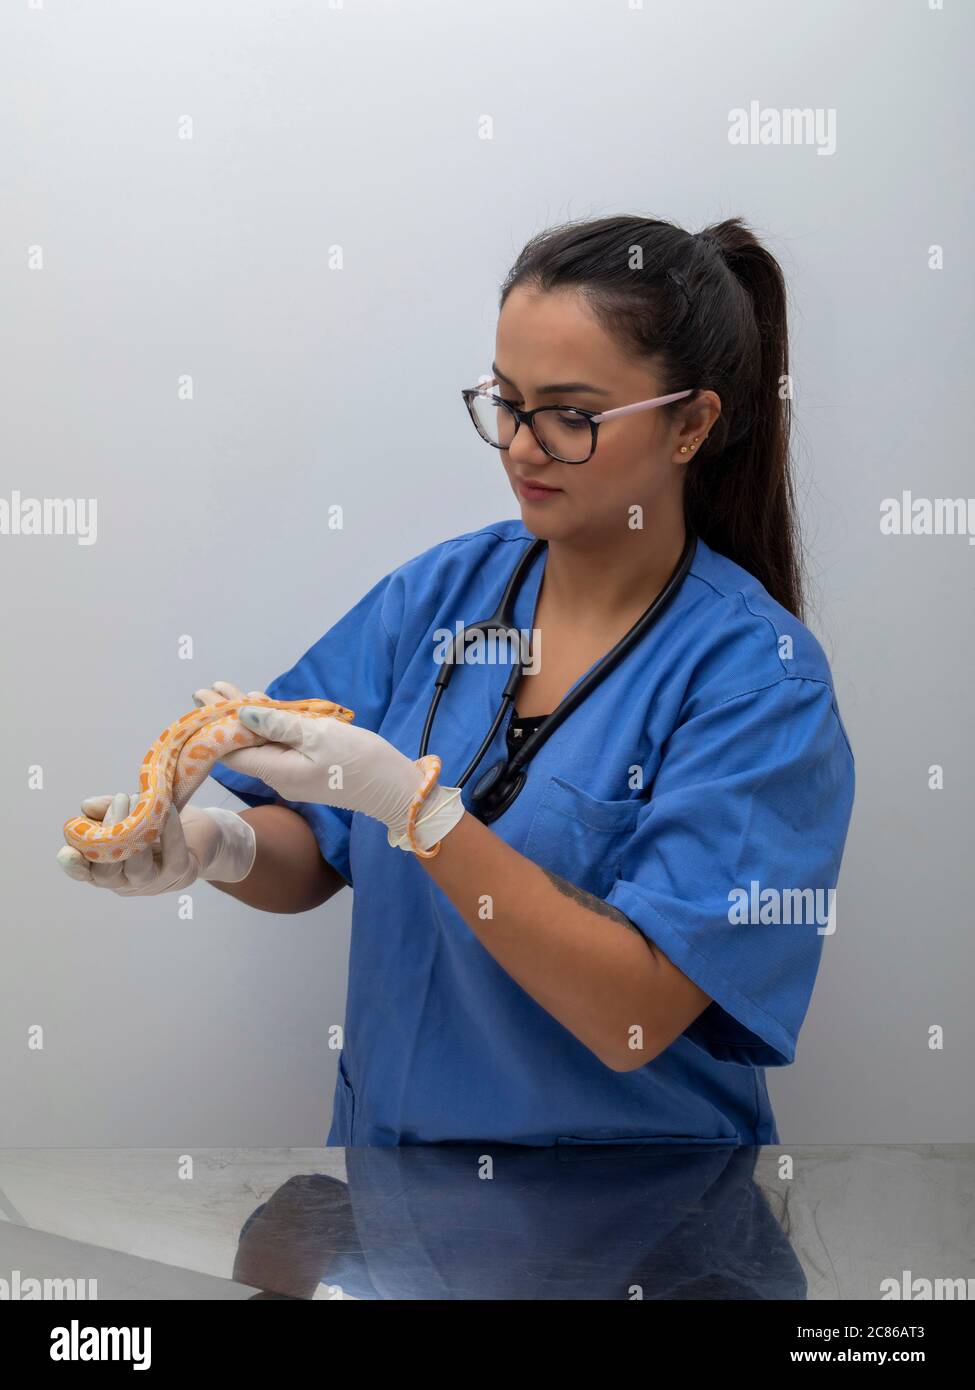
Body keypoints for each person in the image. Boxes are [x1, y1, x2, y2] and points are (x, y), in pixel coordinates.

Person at [58, 214, 855, 1148]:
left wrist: (420, 812)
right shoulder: (439, 596)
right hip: (396, 1202)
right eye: (506, 402)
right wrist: (212, 846)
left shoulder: (758, 684)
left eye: (570, 417)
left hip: (633, 1231)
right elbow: (314, 847)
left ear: (690, 424)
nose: (520, 447)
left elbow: (631, 1013)